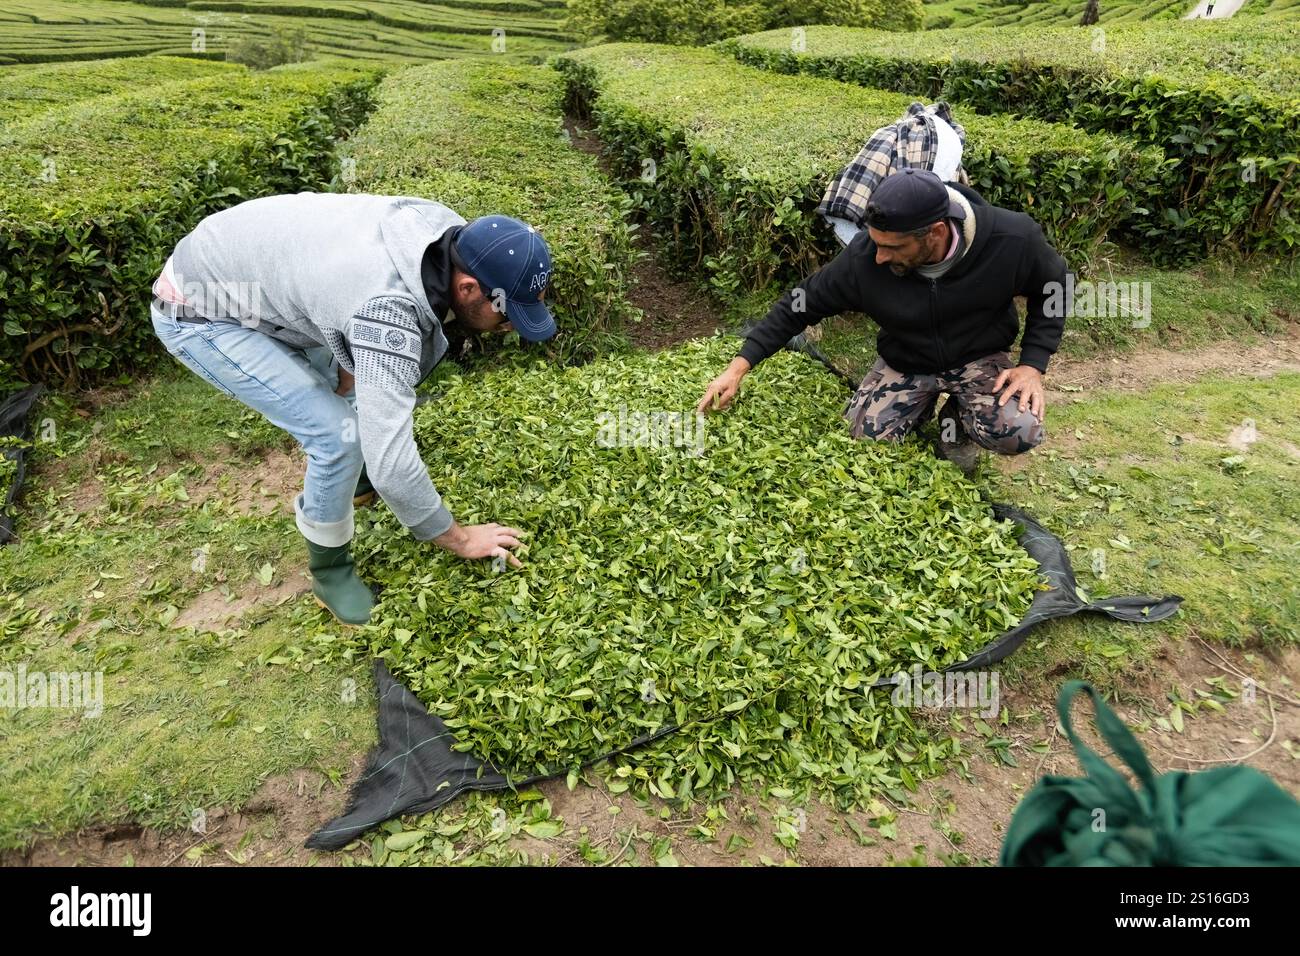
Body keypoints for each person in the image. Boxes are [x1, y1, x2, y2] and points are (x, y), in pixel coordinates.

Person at [150, 192, 555, 624]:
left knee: (359, 401)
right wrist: (458, 538)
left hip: (250, 266)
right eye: (507, 313)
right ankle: (331, 572)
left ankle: (356, 486)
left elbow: (347, 311)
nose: (510, 325)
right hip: (201, 309)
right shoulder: (385, 313)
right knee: (336, 437)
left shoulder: (450, 234)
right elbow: (394, 464)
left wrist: (352, 375)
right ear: (467, 287)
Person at [696, 169, 1068, 473]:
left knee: (1018, 429)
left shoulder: (1011, 239)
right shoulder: (864, 258)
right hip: (906, 359)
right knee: (864, 442)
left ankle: (958, 425)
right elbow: (799, 303)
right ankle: (919, 403)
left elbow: (1056, 284)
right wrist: (738, 367)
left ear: (935, 233)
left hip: (978, 357)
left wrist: (1033, 364)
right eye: (876, 243)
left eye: (893, 247)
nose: (879, 257)